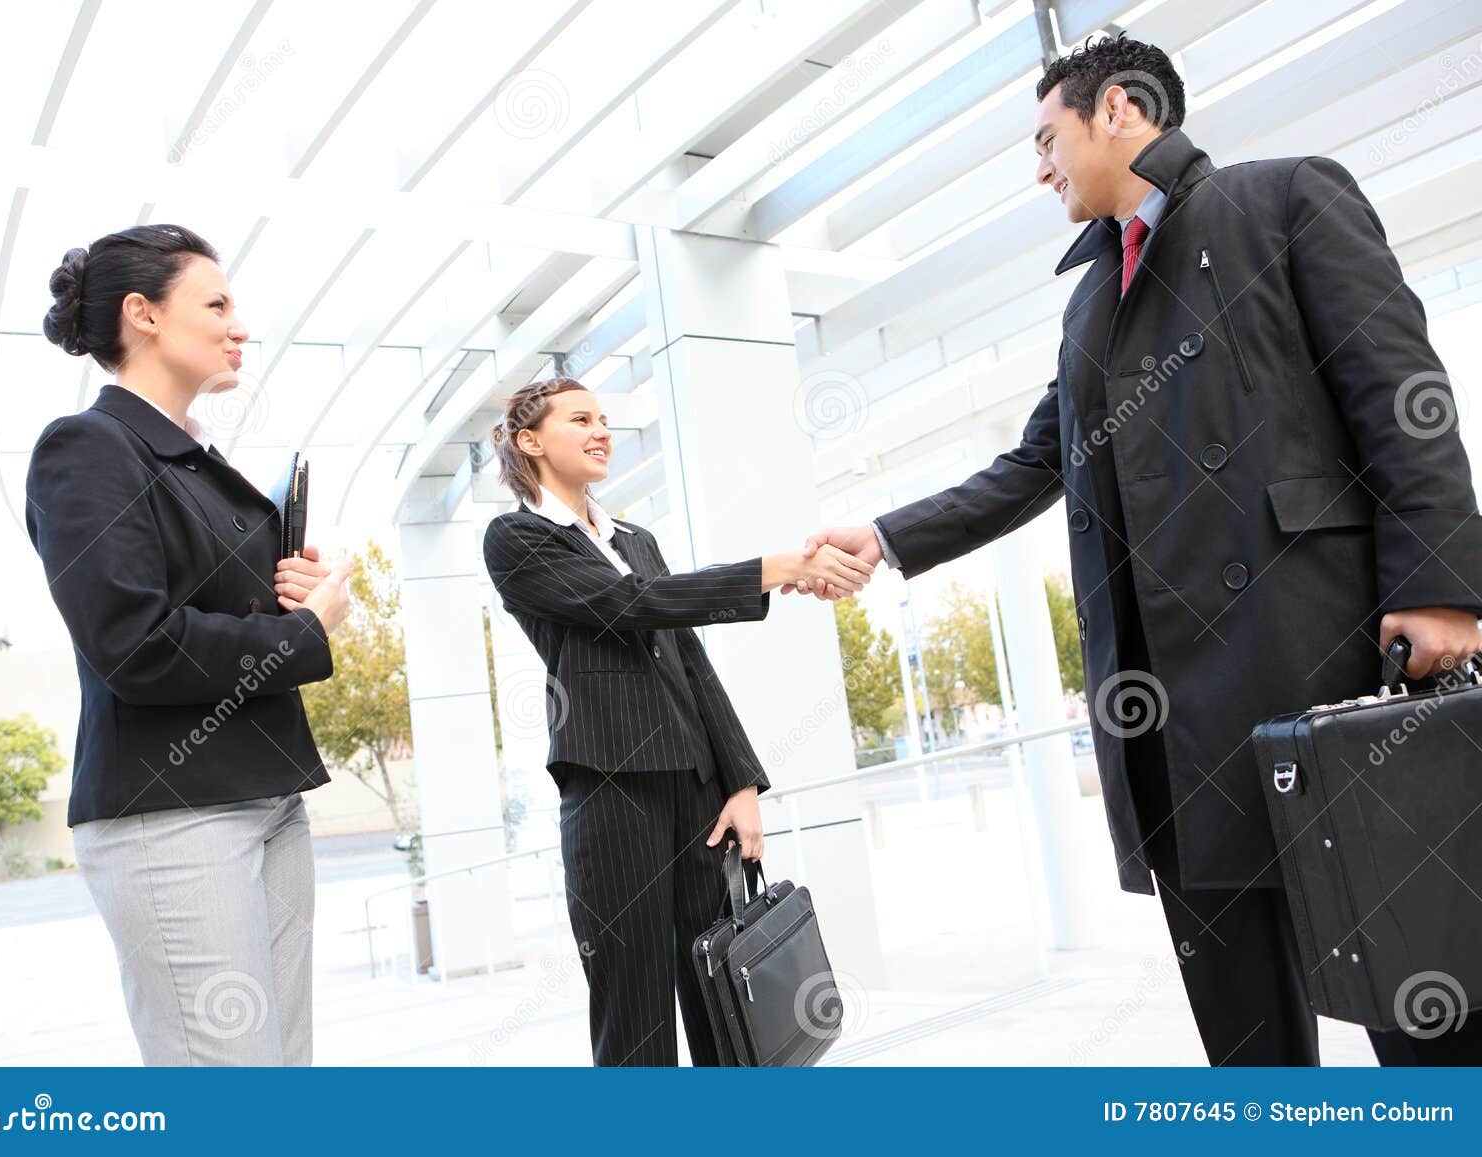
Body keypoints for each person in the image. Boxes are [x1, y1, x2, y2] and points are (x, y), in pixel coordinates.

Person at [794, 35, 1482, 1066]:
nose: (1039, 169)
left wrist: (1440, 588)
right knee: (1247, 1043)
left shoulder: (1283, 198)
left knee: (1422, 1010)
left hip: (1324, 671)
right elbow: (1036, 462)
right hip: (1168, 723)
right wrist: (889, 536)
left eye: (1045, 139)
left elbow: (1400, 398)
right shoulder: (1086, 303)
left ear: (1117, 109)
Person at [26, 224, 354, 1065]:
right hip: (172, 817)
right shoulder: (87, 448)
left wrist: (287, 595)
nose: (239, 324)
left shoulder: (194, 458)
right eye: (216, 303)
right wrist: (303, 631)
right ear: (142, 315)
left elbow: (206, 610)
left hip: (264, 797)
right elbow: (134, 645)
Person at [481, 377, 873, 1066]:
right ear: (530, 440)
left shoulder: (635, 537)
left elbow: (691, 662)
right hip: (610, 786)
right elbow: (629, 602)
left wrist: (741, 781)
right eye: (581, 419)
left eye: (605, 418)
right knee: (633, 1013)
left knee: (724, 995)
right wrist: (770, 567)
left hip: (697, 791)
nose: (602, 429)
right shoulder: (516, 537)